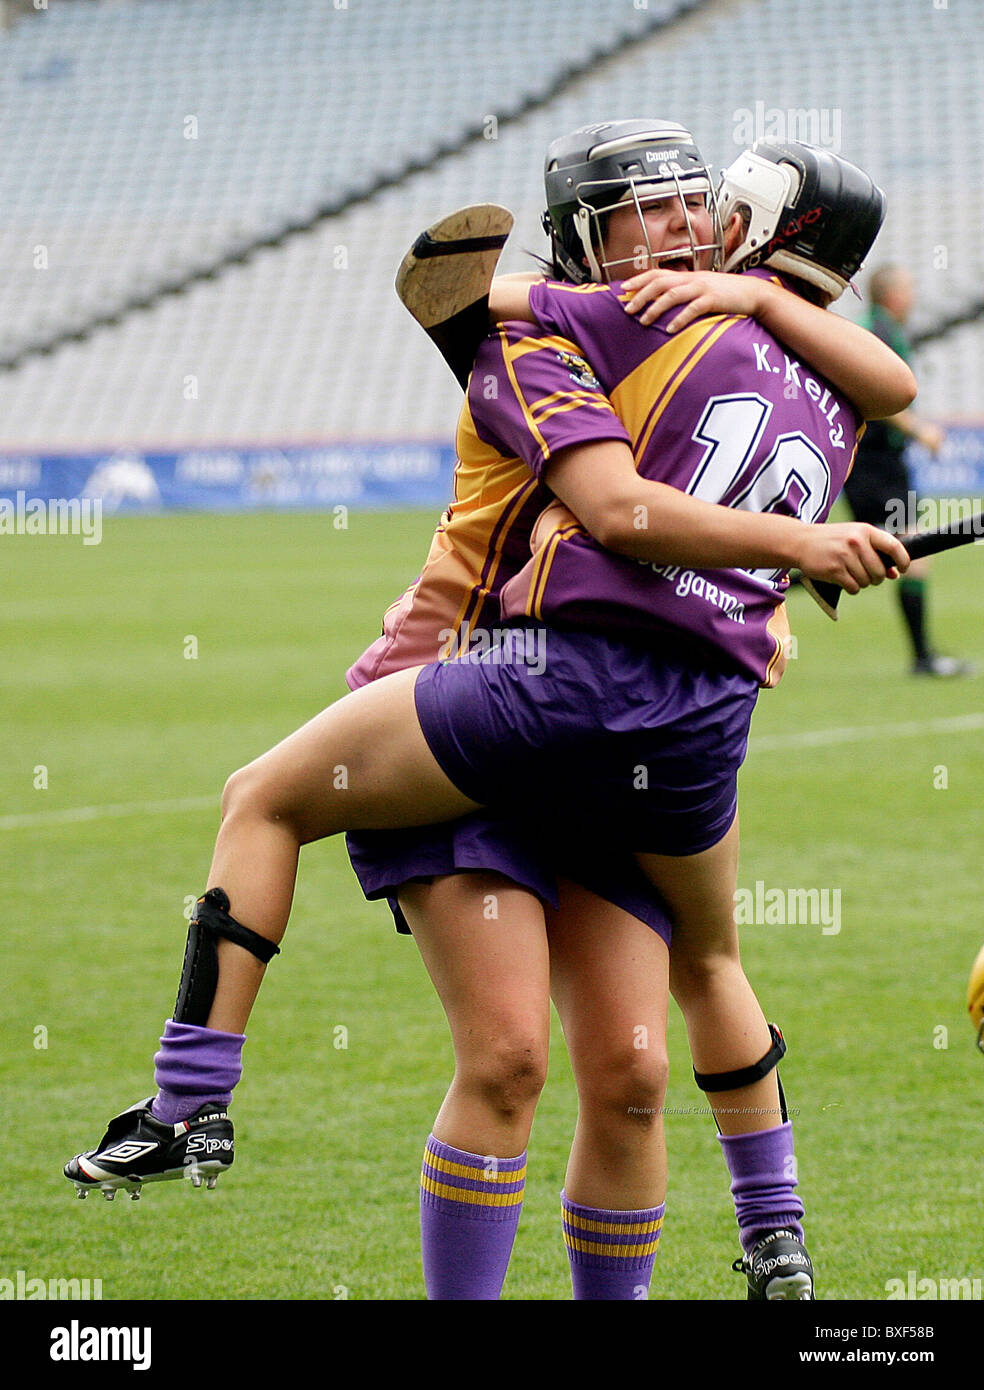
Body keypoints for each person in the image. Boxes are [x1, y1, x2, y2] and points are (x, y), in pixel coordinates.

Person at [65, 127, 912, 1303]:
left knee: (629, 1074)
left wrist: (745, 595)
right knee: (508, 1058)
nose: (675, 229)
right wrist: (786, 546)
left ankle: (767, 1240)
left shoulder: (725, 338)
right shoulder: (555, 331)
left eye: (690, 207)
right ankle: (189, 1098)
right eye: (645, 212)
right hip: (475, 684)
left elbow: (819, 414)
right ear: (585, 237)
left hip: (600, 722)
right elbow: (592, 470)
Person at [842, 264, 972, 676]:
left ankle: (784, 577)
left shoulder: (880, 329)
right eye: (909, 289)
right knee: (909, 552)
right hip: (876, 464)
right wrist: (918, 428)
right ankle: (923, 657)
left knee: (879, 553)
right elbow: (876, 391)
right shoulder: (878, 332)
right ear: (893, 295)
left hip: (878, 463)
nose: (913, 297)